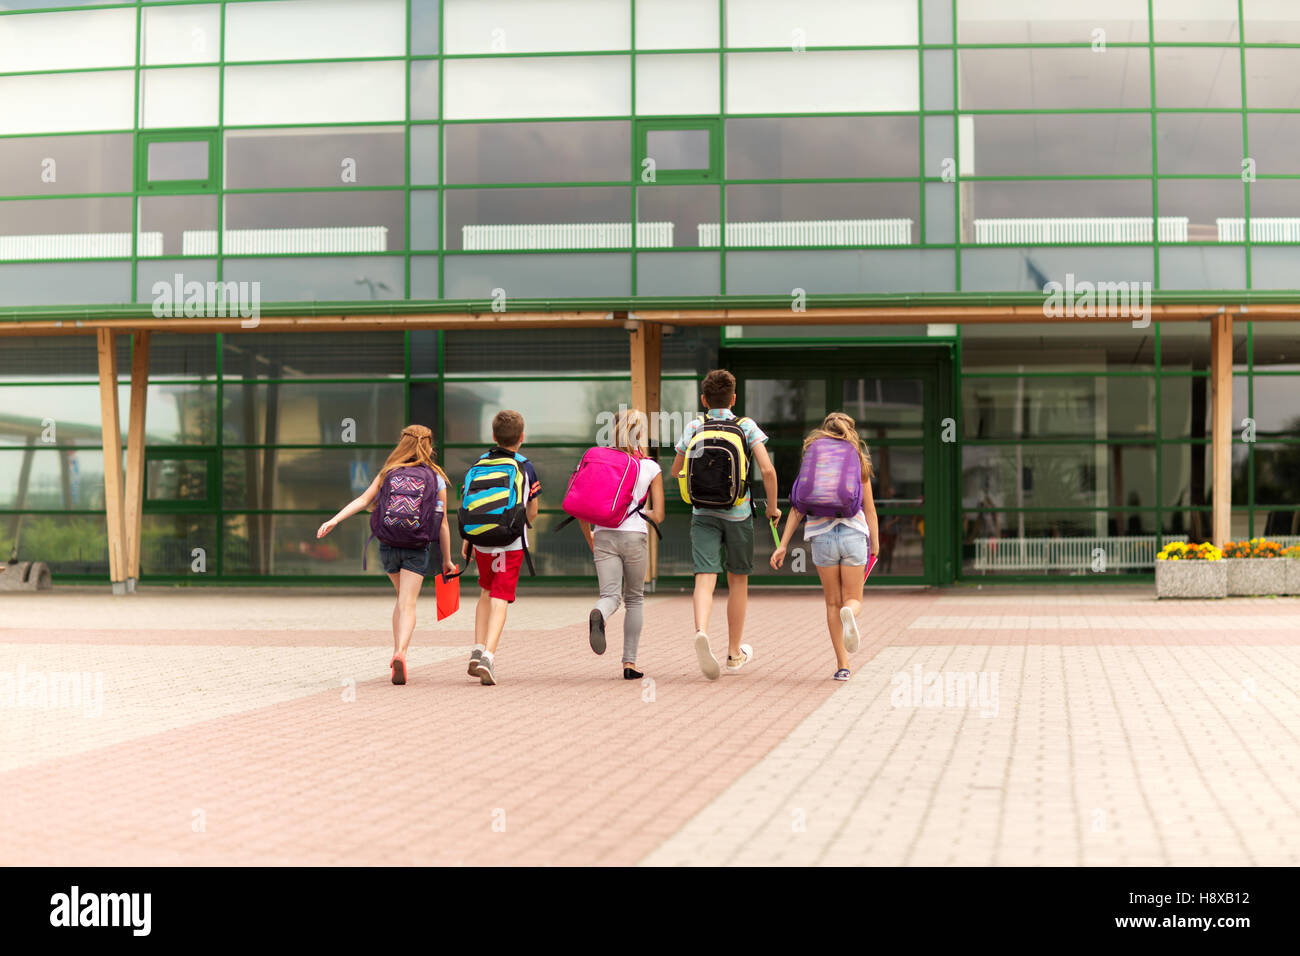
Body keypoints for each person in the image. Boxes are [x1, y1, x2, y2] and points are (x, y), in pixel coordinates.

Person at [316, 424, 456, 685]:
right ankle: (400, 651)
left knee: (399, 599)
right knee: (408, 603)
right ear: (428, 445)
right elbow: (443, 521)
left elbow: (362, 500)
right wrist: (446, 559)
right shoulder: (435, 476)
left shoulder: (389, 472)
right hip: (417, 546)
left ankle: (396, 652)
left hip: (388, 544)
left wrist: (335, 520)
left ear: (402, 443)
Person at [671, 369, 779, 680]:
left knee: (704, 577)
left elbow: (677, 470)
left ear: (704, 399)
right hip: (739, 513)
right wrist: (771, 508)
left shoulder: (695, 426)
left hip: (703, 514)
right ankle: (733, 653)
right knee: (738, 581)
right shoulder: (745, 426)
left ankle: (702, 631)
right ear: (733, 398)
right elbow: (768, 471)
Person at [770, 412, 879, 681]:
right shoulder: (858, 459)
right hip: (853, 534)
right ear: (849, 431)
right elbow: (870, 509)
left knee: (832, 603)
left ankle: (843, 666)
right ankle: (849, 614)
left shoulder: (813, 459)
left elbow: (798, 507)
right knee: (852, 600)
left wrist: (782, 545)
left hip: (821, 537)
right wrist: (874, 544)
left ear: (825, 430)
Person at [579, 407, 666, 680]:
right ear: (641, 434)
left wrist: (590, 537)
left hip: (603, 534)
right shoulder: (650, 467)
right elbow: (659, 515)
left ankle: (599, 612)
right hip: (634, 535)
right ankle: (629, 664)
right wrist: (641, 513)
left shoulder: (598, 461)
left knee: (610, 596)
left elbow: (581, 506)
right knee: (635, 599)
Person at [460, 410, 541, 686]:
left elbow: (471, 504)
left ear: (493, 436)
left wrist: (469, 539)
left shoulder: (479, 463)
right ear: (521, 437)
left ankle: (477, 648)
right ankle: (489, 657)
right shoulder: (524, 466)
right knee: (501, 596)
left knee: (485, 590)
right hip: (510, 542)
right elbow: (533, 511)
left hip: (481, 541)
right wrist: (520, 523)